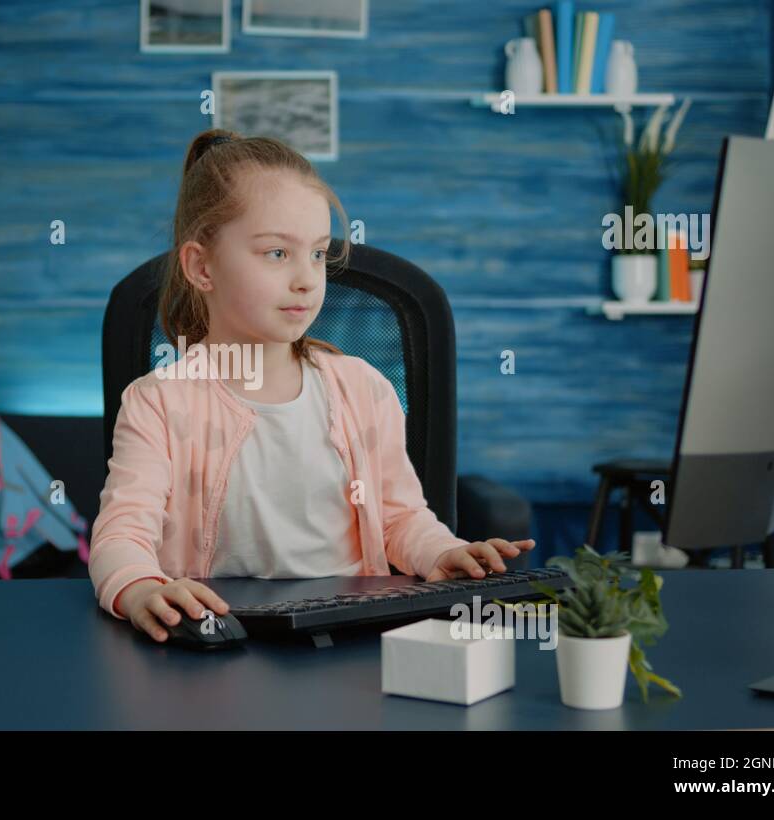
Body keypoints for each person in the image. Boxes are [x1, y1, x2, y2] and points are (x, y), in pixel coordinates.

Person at [89, 129, 534, 642]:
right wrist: (140, 588)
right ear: (201, 266)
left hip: (350, 637)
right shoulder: (158, 403)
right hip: (223, 641)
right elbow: (121, 535)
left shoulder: (364, 390)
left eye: (318, 254)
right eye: (277, 253)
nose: (307, 278)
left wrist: (442, 551)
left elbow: (400, 518)